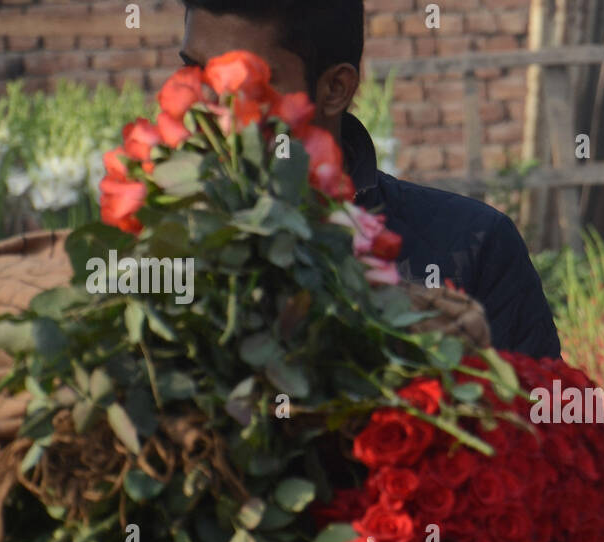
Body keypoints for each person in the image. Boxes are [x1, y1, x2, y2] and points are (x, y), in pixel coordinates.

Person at [179, 0, 561, 359]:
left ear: (335, 89)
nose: (203, 107)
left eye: (243, 84)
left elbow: (540, 405)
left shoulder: (473, 246)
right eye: (193, 71)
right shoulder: (163, 248)